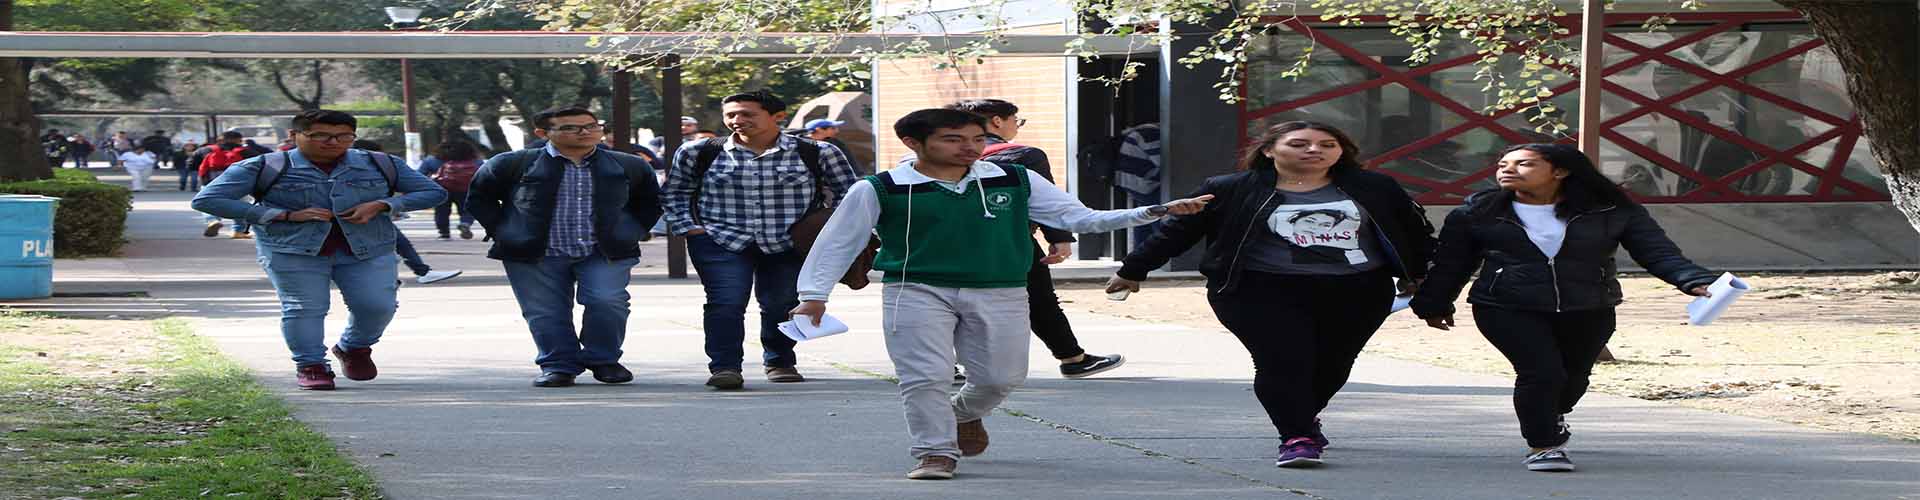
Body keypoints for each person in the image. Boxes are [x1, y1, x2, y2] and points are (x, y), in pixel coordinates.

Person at [793, 108, 1211, 480]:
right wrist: (814, 294)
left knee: (1002, 377)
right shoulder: (881, 187)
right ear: (913, 143)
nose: (969, 148)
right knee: (925, 376)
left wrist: (1155, 211)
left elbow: (1078, 218)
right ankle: (934, 452)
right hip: (915, 288)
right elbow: (837, 242)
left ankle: (962, 413)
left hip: (1001, 288)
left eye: (977, 139)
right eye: (953, 140)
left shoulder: (1015, 179)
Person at [1106, 120, 1436, 469]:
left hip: (1357, 290)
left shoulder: (1376, 187)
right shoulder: (1230, 188)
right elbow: (1178, 232)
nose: (1314, 150)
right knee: (1282, 360)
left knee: (1333, 365)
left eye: (1327, 144)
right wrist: (1133, 269)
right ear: (1268, 150)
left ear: (1341, 151)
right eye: (1300, 144)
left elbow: (1413, 233)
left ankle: (1302, 417)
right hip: (1256, 289)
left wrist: (1418, 275)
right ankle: (1296, 436)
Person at [1410, 143, 1717, 473]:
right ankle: (1544, 445)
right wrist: (1434, 302)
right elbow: (1451, 263)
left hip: (1588, 306)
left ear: (1560, 171)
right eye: (1502, 164)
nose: (1506, 170)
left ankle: (1552, 413)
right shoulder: (1477, 211)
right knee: (1541, 373)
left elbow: (1658, 252)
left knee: (1574, 379)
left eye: (1523, 164)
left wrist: (1694, 280)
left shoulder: (1609, 209)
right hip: (1506, 305)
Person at [190, 109, 448, 390]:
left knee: (377, 305)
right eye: (320, 135)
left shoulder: (381, 163)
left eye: (343, 136)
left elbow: (434, 192)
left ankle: (353, 347)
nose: (333, 142)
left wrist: (383, 205)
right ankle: (311, 364)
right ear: (294, 135)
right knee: (304, 308)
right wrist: (282, 215)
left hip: (368, 247)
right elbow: (208, 200)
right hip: (291, 248)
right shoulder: (264, 166)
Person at [661, 90, 860, 390]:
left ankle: (779, 361)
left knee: (781, 302)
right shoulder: (698, 152)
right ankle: (725, 367)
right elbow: (675, 192)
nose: (737, 121)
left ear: (777, 116)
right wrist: (689, 228)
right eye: (731, 115)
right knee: (725, 303)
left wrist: (832, 232)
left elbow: (850, 193)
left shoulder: (818, 152)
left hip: (789, 242)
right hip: (720, 240)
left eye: (747, 114)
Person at [467, 106, 662, 388]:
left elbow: (649, 202)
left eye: (592, 126)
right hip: (533, 253)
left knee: (607, 301)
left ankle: (604, 359)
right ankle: (558, 365)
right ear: (543, 133)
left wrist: (631, 231)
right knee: (545, 311)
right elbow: (479, 199)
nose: (585, 132)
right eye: (571, 128)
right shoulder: (512, 163)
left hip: (604, 251)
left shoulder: (627, 164)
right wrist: (506, 232)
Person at [944, 98, 1128, 378]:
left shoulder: (933, 156)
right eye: (1015, 121)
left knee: (946, 302)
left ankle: (945, 366)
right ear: (997, 121)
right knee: (1039, 299)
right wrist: (1059, 238)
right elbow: (1043, 202)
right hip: (1010, 240)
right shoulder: (1023, 155)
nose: (1016, 127)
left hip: (943, 241)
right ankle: (1072, 357)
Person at [352, 139, 463, 286]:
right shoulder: (375, 164)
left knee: (398, 243)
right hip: (359, 219)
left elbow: (430, 190)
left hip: (374, 216)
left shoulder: (384, 163)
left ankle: (420, 272)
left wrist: (388, 205)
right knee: (394, 245)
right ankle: (409, 274)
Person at [196, 131, 257, 239]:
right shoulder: (246, 151)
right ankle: (238, 231)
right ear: (239, 140)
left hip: (210, 181)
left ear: (221, 139)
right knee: (239, 205)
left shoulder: (207, 150)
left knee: (206, 202)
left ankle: (212, 220)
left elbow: (192, 163)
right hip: (237, 183)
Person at [421, 141, 482, 240]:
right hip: (465, 189)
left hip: (440, 189)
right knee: (467, 209)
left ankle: (444, 233)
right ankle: (465, 223)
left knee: (441, 211)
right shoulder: (475, 161)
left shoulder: (432, 160)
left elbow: (420, 175)